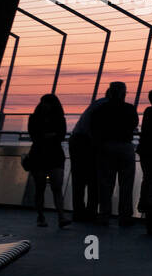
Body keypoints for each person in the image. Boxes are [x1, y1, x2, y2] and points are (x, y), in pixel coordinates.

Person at [90, 81, 139, 227]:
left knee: (105, 184)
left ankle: (104, 215)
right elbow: (134, 124)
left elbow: (94, 128)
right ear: (123, 94)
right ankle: (125, 216)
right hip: (125, 147)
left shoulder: (101, 109)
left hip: (107, 147)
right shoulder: (129, 109)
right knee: (126, 184)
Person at [26, 94, 71, 228]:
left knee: (43, 187)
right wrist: (52, 135)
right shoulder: (59, 119)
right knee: (52, 187)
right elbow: (60, 135)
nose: (45, 105)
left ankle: (44, 216)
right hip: (54, 154)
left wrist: (44, 136)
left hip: (39, 154)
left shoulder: (34, 119)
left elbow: (35, 136)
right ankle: (59, 216)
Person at [69, 92, 109, 220]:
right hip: (86, 143)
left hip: (78, 141)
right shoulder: (105, 106)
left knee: (79, 180)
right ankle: (90, 211)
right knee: (93, 179)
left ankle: (79, 211)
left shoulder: (99, 103)